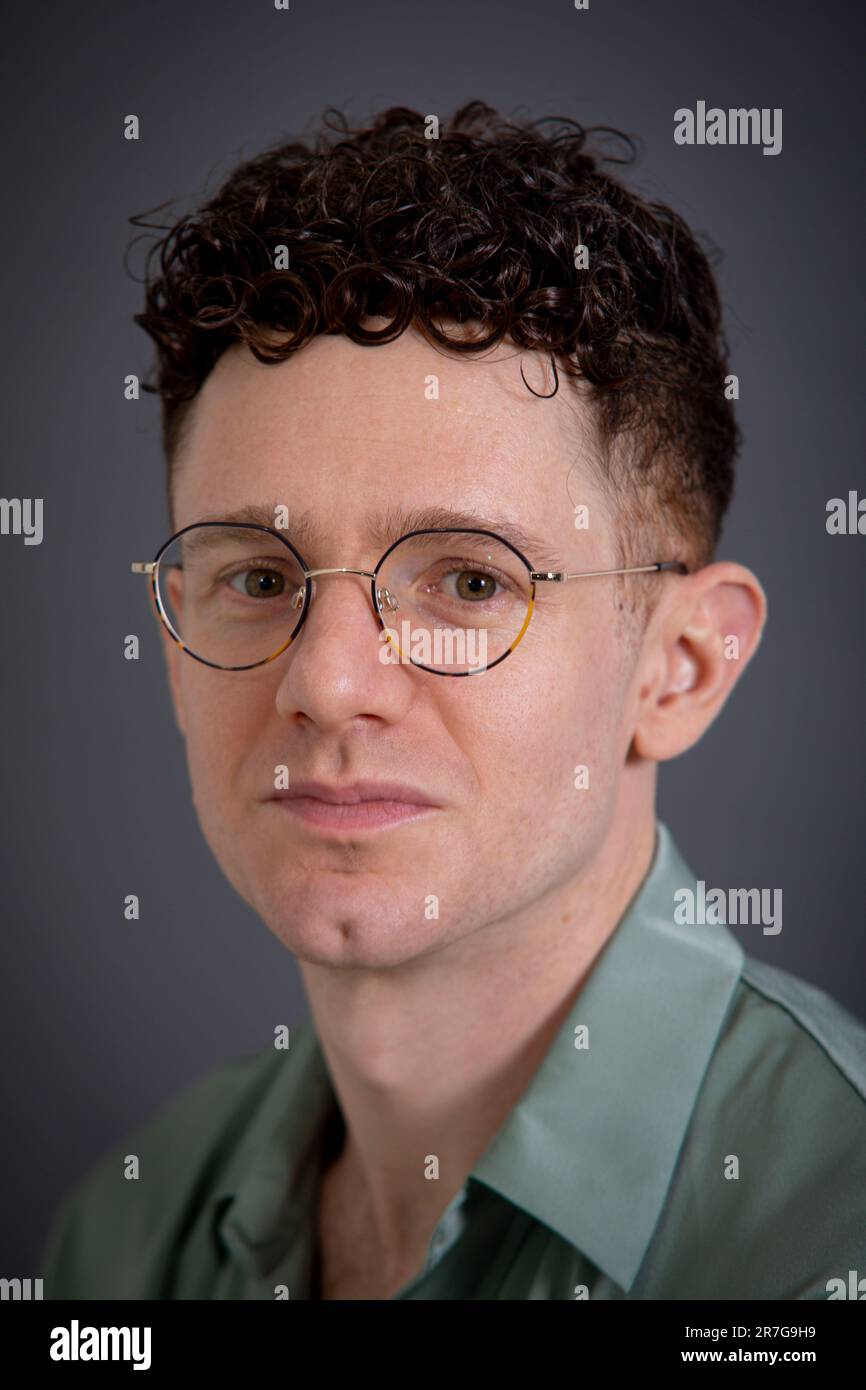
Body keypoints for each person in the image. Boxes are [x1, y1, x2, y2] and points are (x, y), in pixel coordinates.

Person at [40, 101, 866, 1300]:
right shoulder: (121, 1244)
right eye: (258, 578)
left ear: (677, 668)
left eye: (470, 580)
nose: (324, 683)